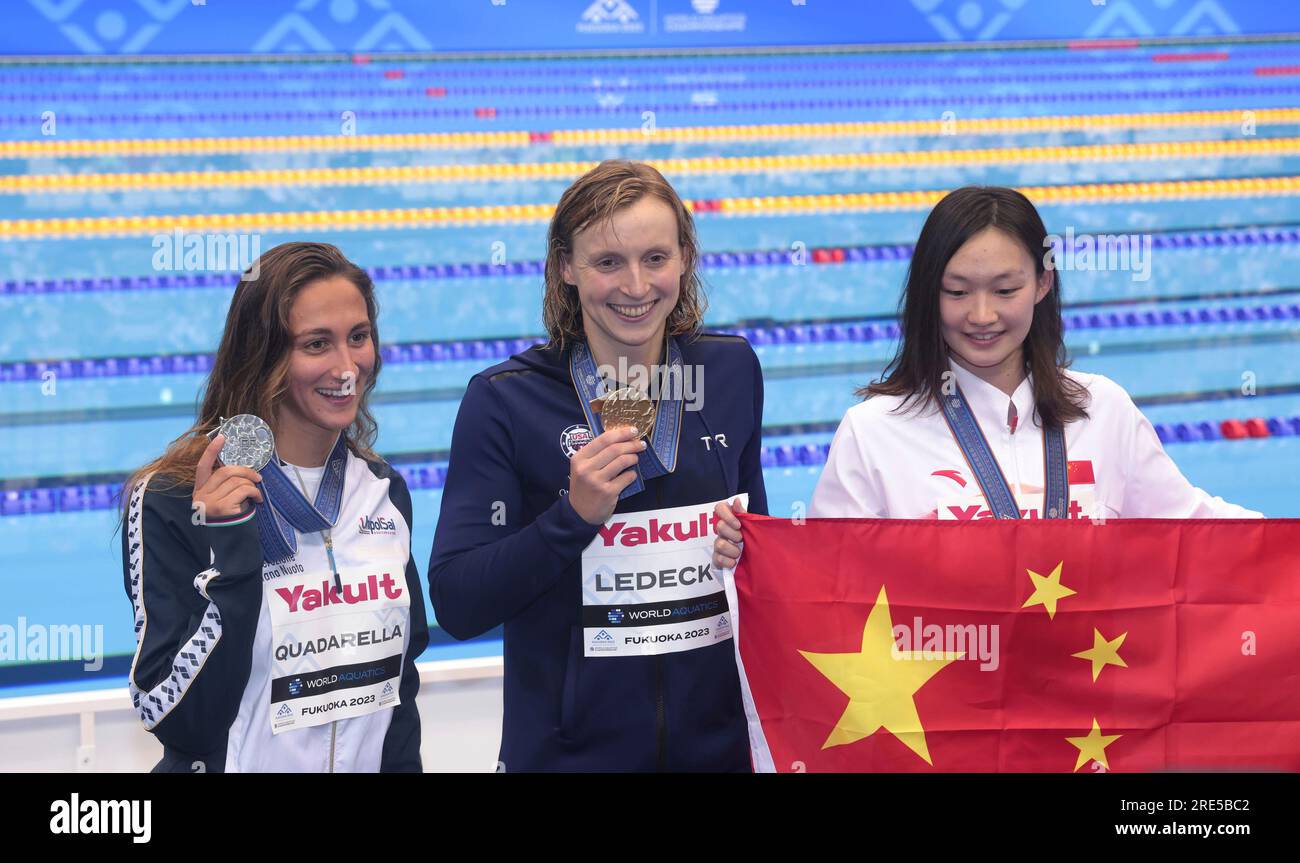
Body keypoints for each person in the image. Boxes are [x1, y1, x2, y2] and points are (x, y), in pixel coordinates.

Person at [714, 185, 1259, 568]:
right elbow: (828, 582)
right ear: (929, 293)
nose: (981, 315)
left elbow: (1196, 531)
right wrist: (752, 556)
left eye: (1005, 290)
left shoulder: (1104, 409)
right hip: (943, 717)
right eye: (957, 291)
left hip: (1087, 716)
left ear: (1043, 285)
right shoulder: (873, 430)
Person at [429, 160, 767, 771]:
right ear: (566, 268)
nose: (635, 287)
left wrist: (752, 547)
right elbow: (457, 602)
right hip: (569, 757)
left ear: (685, 257)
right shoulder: (506, 399)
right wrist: (570, 518)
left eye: (655, 258)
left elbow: (765, 554)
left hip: (717, 751)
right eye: (607, 262)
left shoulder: (730, 372)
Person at [119, 242, 429, 773]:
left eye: (358, 337)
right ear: (263, 356)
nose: (347, 366)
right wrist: (233, 561)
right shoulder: (174, 500)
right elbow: (170, 714)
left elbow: (397, 692)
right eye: (316, 344)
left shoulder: (381, 490)